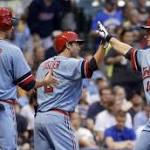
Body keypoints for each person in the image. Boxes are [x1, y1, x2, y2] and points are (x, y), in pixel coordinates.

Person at [34, 31, 107, 150]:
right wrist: (104, 44)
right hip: (57, 117)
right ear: (68, 45)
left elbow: (35, 92)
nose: (79, 47)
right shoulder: (69, 62)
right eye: (76, 43)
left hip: (39, 118)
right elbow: (91, 67)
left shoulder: (42, 65)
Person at [0, 7, 57, 149]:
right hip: (3, 109)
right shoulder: (12, 50)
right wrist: (45, 81)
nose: (13, 27)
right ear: (6, 24)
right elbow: (28, 84)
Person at [97, 19, 150, 150]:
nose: (146, 35)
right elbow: (127, 50)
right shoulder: (145, 55)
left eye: (149, 32)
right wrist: (109, 38)